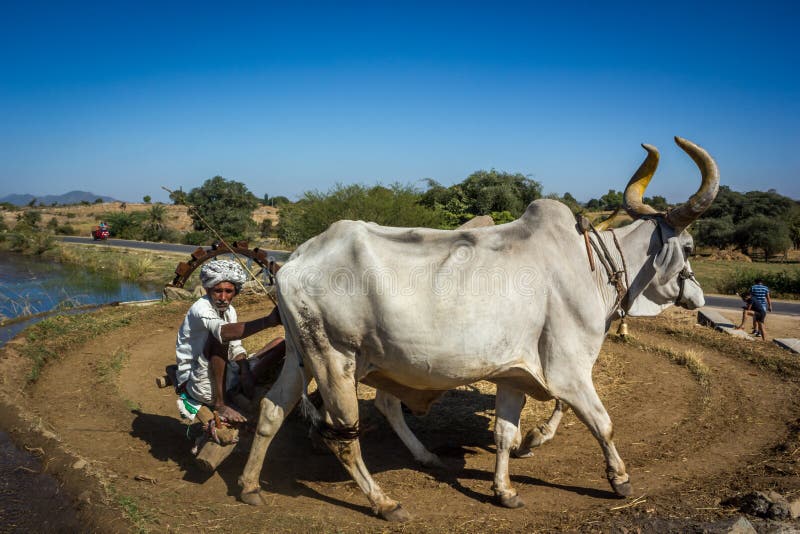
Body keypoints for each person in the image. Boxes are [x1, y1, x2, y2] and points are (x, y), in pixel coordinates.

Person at [175, 259, 285, 423]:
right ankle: (221, 404)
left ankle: (239, 384)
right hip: (198, 382)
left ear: (236, 292)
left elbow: (235, 346)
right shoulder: (201, 308)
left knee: (280, 343)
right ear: (208, 289)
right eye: (217, 291)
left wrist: (245, 372)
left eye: (228, 291)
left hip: (226, 371)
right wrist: (268, 321)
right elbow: (223, 334)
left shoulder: (230, 310)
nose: (223, 297)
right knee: (220, 338)